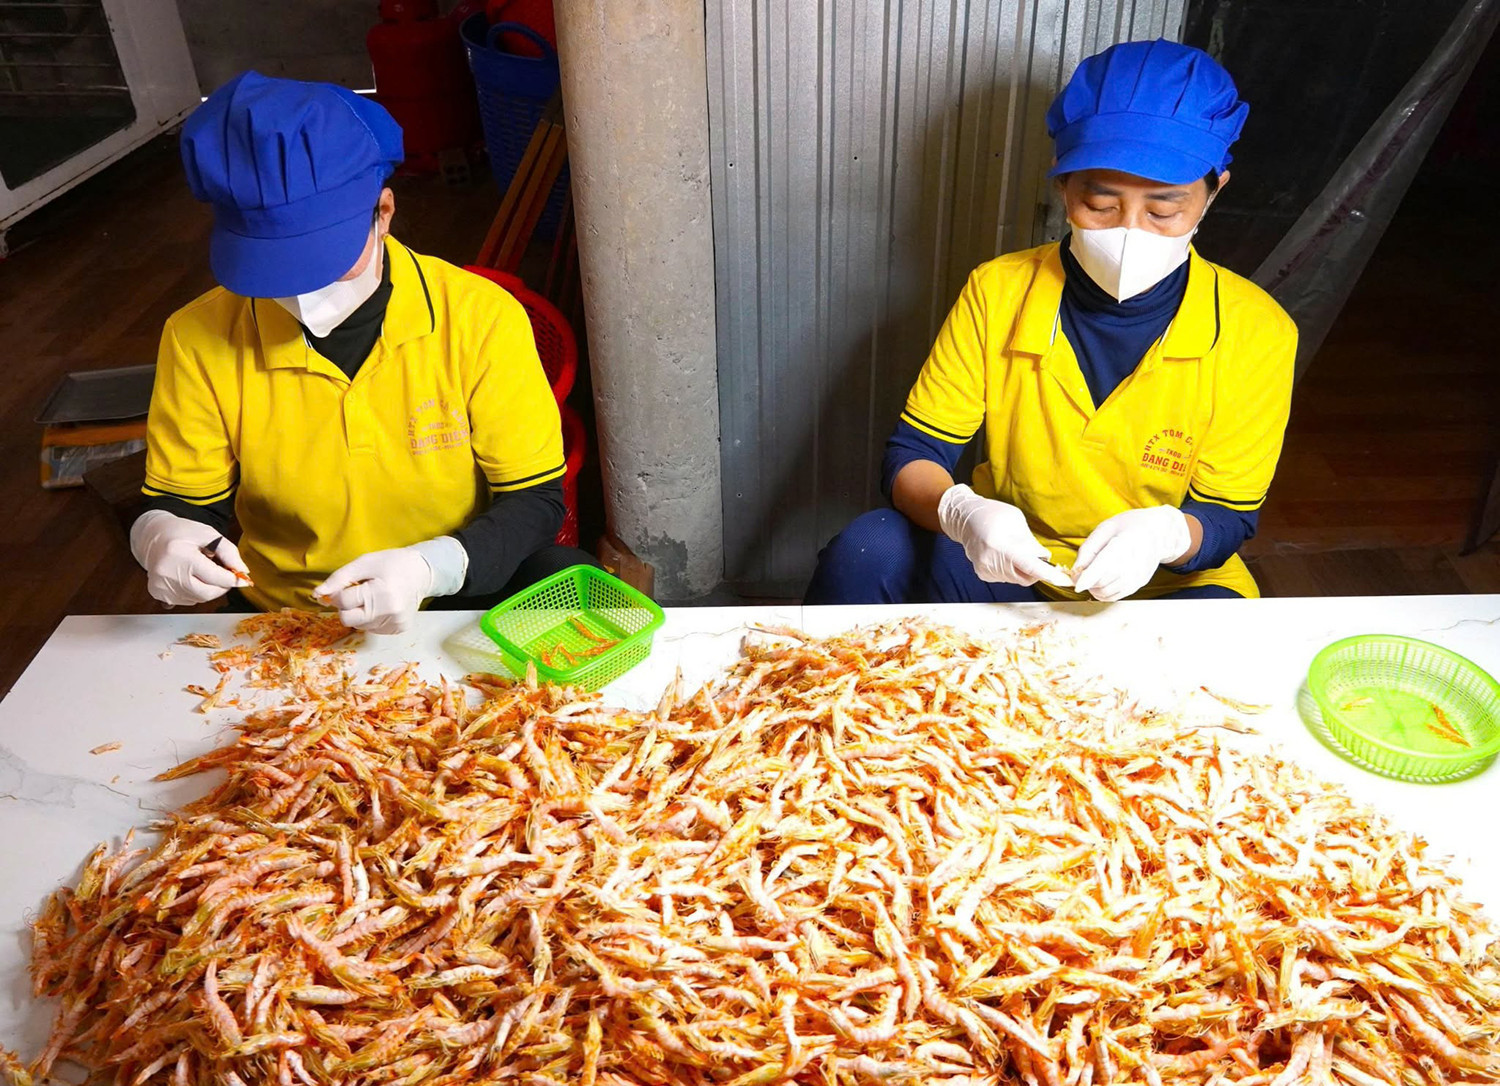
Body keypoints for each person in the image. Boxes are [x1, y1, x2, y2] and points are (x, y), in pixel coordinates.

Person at [805, 39, 1295, 605]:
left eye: (1164, 209)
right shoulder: (999, 290)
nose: (1130, 230)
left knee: (1221, 623)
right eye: (1100, 204)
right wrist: (962, 512)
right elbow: (912, 455)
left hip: (1162, 586)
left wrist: (1165, 536)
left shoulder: (1256, 330)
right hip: (1009, 566)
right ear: (1063, 186)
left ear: (1214, 191)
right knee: (871, 548)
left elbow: (1228, 518)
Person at [130, 71, 594, 632]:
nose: (303, 289)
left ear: (385, 212)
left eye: (326, 260)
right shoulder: (198, 336)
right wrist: (160, 534)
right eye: (273, 268)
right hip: (287, 613)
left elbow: (536, 500)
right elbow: (186, 501)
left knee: (567, 575)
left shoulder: (479, 317)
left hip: (451, 594)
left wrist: (429, 568)